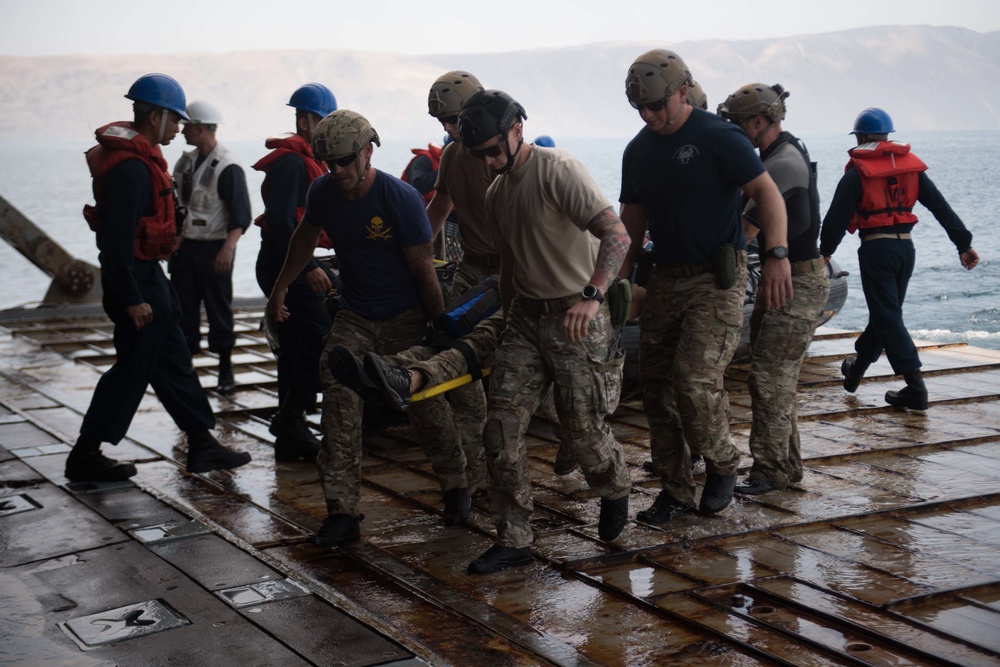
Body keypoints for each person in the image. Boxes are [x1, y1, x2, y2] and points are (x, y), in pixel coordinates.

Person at [267, 109, 471, 547]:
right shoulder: (323, 192)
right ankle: (341, 512)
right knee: (338, 404)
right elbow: (304, 238)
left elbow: (423, 269)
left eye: (344, 160)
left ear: (367, 151)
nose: (336, 170)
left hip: (406, 316)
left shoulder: (400, 199)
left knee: (425, 403)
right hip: (356, 317)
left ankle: (456, 485)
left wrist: (436, 329)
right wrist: (280, 288)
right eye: (328, 162)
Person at [458, 89, 633, 575]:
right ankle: (514, 534)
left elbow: (617, 235)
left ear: (517, 129)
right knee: (501, 428)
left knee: (581, 429)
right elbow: (511, 258)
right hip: (527, 320)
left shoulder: (558, 171)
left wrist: (594, 295)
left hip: (577, 316)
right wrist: (510, 314)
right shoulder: (497, 193)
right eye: (480, 155)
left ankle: (614, 485)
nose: (490, 162)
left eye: (494, 150)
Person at [617, 49, 791, 523]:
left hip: (717, 279)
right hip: (665, 279)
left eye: (656, 105)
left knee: (693, 380)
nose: (649, 115)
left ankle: (722, 463)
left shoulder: (719, 136)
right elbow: (630, 227)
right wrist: (615, 281)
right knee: (655, 388)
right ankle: (674, 490)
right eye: (640, 109)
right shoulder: (638, 150)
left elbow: (767, 193)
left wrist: (776, 255)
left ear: (680, 91)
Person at [66, 73, 251, 482]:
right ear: (156, 116)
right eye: (175, 120)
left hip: (151, 280)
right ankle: (85, 453)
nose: (179, 128)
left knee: (174, 363)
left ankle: (202, 444)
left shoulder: (144, 162)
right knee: (132, 369)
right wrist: (132, 298)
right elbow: (114, 245)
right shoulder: (132, 171)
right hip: (137, 284)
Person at [820, 107, 979, 409]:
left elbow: (835, 219)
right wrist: (963, 244)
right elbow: (940, 207)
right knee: (885, 316)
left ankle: (915, 387)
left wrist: (824, 252)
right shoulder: (911, 169)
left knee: (888, 316)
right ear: (887, 136)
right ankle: (855, 370)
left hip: (877, 251)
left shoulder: (858, 172)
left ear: (862, 137)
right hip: (907, 250)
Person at [717, 83, 830, 495]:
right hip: (791, 277)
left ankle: (770, 472)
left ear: (758, 122)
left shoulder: (780, 164)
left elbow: (745, 230)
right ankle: (787, 466)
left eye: (736, 124)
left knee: (769, 377)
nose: (732, 132)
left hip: (796, 280)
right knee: (776, 377)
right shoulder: (782, 152)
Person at [253, 83, 338, 461]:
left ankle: (291, 429)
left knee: (294, 346)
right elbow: (282, 224)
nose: (308, 125)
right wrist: (308, 268)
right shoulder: (290, 164)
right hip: (282, 264)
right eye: (303, 118)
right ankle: (290, 418)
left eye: (315, 119)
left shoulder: (311, 162)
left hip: (288, 262)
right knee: (320, 337)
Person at [423, 70, 497, 491]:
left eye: (454, 120)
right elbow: (438, 209)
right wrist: (415, 251)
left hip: (511, 270)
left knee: (509, 370)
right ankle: (475, 474)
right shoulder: (452, 157)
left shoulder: (498, 154)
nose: (450, 130)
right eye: (443, 124)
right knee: (459, 363)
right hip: (472, 266)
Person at [170, 100, 252, 396]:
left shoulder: (228, 167)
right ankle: (187, 371)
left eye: (186, 126)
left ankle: (226, 369)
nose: (181, 131)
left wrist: (228, 250)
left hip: (216, 248)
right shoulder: (185, 163)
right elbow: (175, 204)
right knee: (184, 310)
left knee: (219, 309)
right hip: (185, 249)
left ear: (201, 128)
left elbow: (241, 214)